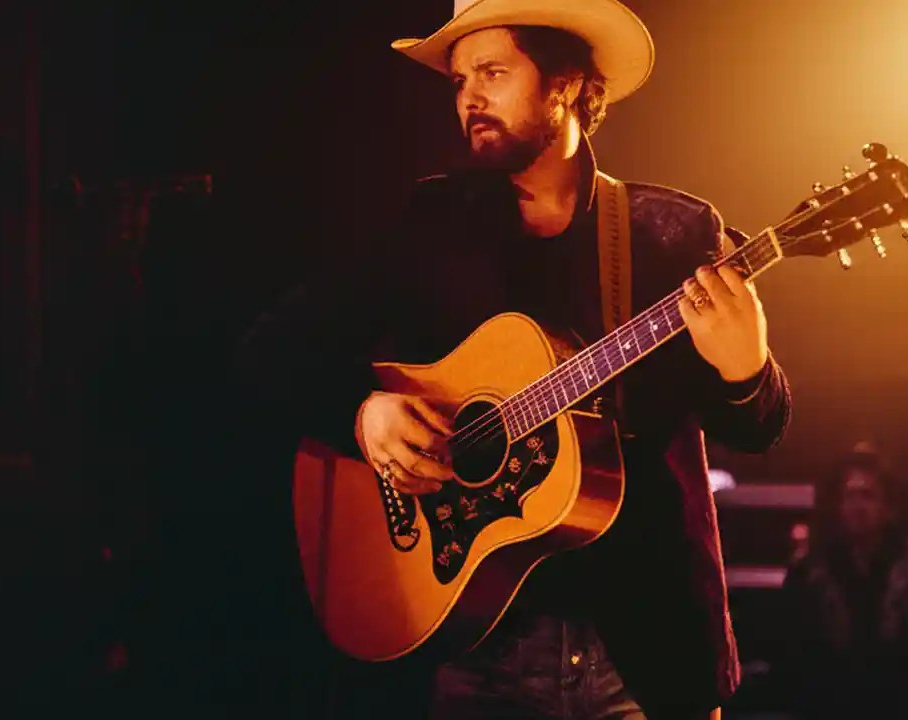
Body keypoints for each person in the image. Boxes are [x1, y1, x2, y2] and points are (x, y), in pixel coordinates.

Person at [237, 0, 792, 717]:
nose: (468, 97)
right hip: (474, 648)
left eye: (492, 73)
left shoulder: (668, 234)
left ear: (565, 84)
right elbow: (271, 352)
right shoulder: (431, 226)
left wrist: (747, 367)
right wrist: (363, 414)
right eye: (460, 80)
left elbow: (757, 427)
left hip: (642, 649)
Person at [772, 444, 908, 718]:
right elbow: (792, 657)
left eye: (867, 495)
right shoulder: (810, 573)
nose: (857, 506)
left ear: (887, 506)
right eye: (849, 496)